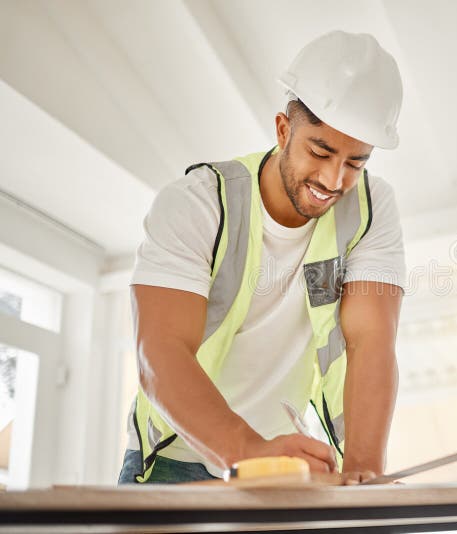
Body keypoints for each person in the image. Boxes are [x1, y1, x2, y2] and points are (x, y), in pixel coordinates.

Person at [117, 30, 405, 484]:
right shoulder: (200, 203)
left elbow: (371, 343)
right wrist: (247, 451)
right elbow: (159, 354)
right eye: (321, 151)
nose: (334, 179)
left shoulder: (370, 208)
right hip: (179, 457)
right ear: (283, 129)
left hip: (281, 460)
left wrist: (364, 472)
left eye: (355, 163)